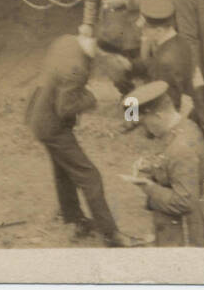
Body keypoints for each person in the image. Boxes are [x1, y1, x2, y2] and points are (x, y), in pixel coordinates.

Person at [25, 34, 138, 247]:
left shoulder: (67, 40)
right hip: (51, 125)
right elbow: (65, 107)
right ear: (105, 54)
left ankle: (73, 218)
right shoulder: (77, 68)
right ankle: (112, 235)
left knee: (63, 169)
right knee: (90, 176)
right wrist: (94, 96)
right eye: (117, 62)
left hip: (38, 111)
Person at [125, 81, 204, 247]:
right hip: (192, 219)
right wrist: (151, 166)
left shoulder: (180, 149)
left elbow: (183, 203)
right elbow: (176, 163)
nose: (146, 131)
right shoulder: (185, 126)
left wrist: (148, 187)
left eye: (144, 123)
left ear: (158, 116)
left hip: (187, 232)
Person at [138, 0, 204, 179]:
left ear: (158, 30)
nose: (142, 32)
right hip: (195, 116)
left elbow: (166, 101)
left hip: (181, 122)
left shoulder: (165, 61)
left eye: (145, 29)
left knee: (178, 176)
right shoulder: (179, 42)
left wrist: (133, 116)